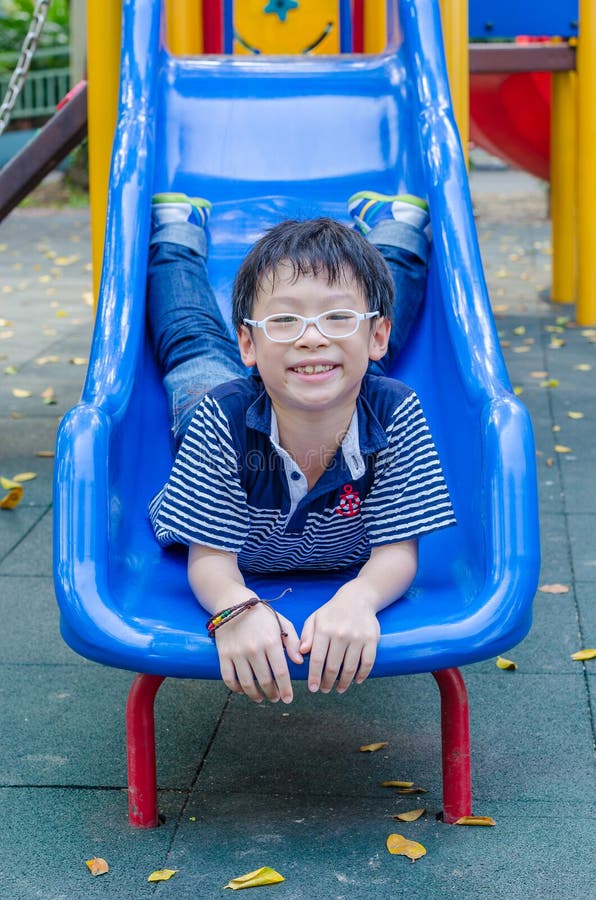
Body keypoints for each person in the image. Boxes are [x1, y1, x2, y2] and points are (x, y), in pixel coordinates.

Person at [147, 190, 456, 706]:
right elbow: (210, 559)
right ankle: (179, 233)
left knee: (353, 350)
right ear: (249, 343)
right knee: (195, 343)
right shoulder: (218, 421)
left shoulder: (397, 413)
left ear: (379, 334)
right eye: (284, 320)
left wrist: (360, 598)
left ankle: (396, 230)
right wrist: (233, 606)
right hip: (238, 405)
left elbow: (398, 551)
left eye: (332, 317)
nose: (310, 336)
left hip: (343, 390)